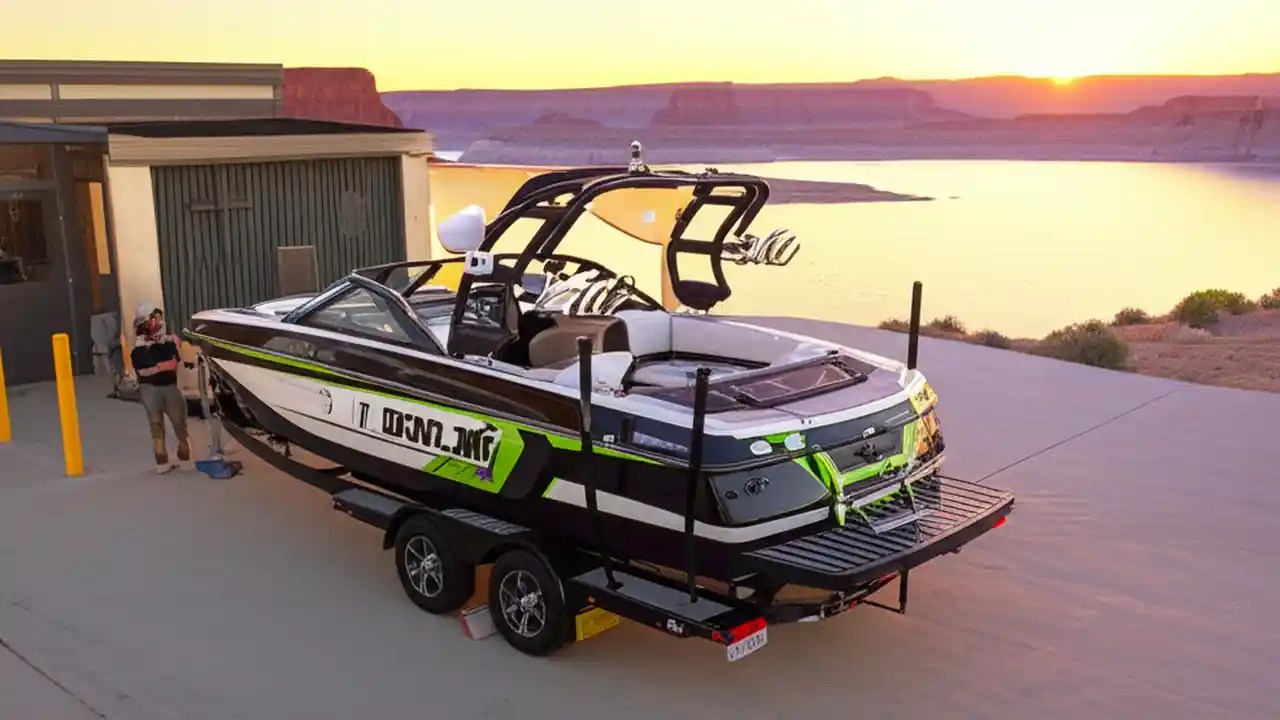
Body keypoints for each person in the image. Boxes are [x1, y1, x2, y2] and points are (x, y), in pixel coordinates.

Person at [130, 303, 191, 473]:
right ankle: (162, 461)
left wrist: (156, 368)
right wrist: (160, 367)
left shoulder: (167, 343)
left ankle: (183, 454)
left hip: (167, 387)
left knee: (179, 424)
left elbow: (172, 364)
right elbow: (142, 371)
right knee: (157, 426)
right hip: (150, 389)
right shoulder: (139, 349)